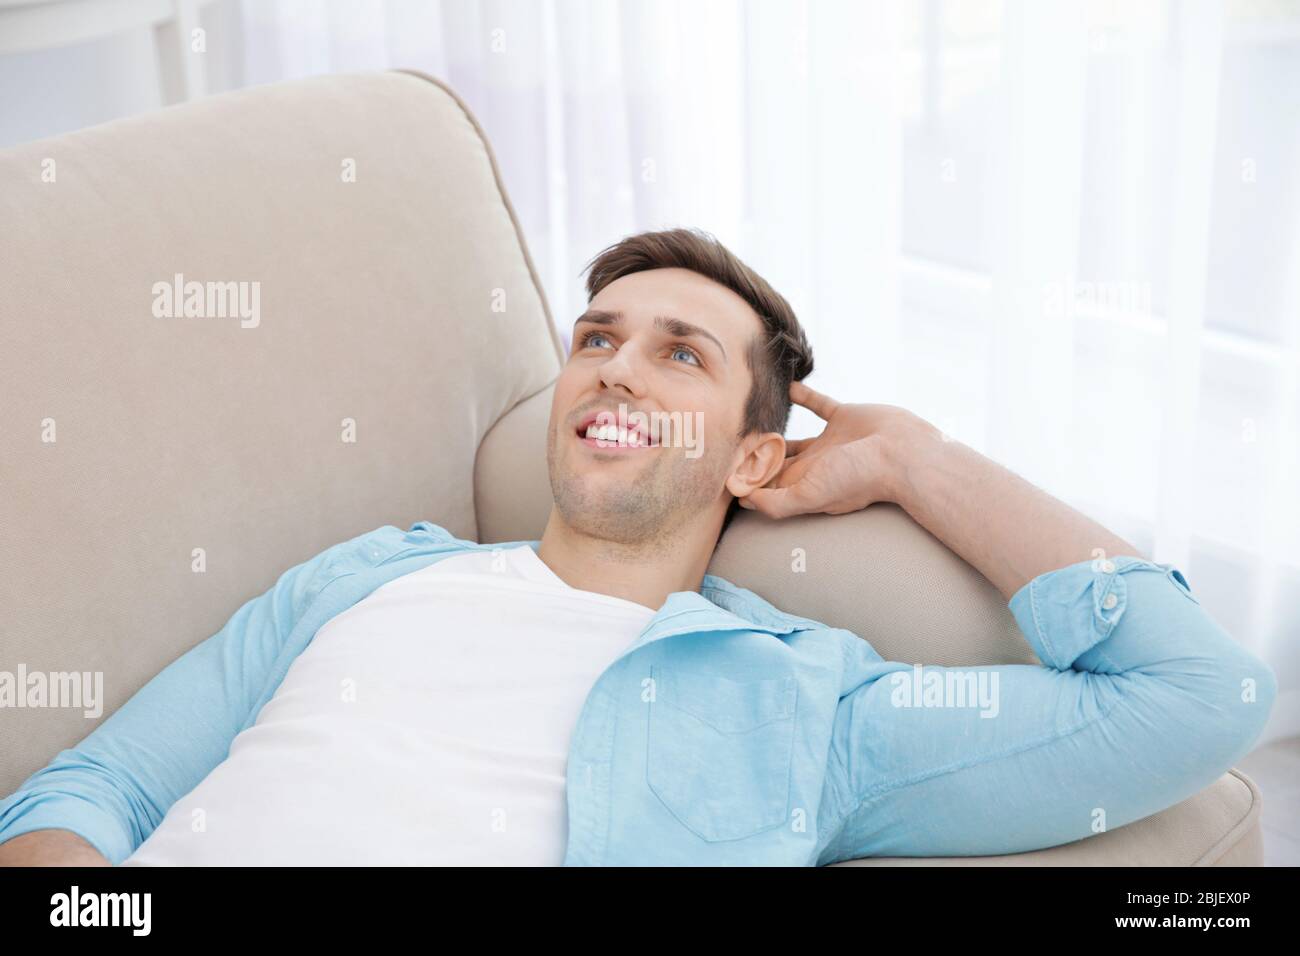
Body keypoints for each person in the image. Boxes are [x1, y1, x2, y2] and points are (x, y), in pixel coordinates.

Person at [0, 228, 1275, 866]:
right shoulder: (366, 574)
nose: (612, 366)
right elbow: (88, 796)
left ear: (753, 459)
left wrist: (913, 461)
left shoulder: (797, 703)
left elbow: (1195, 696)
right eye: (596, 337)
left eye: (680, 353)